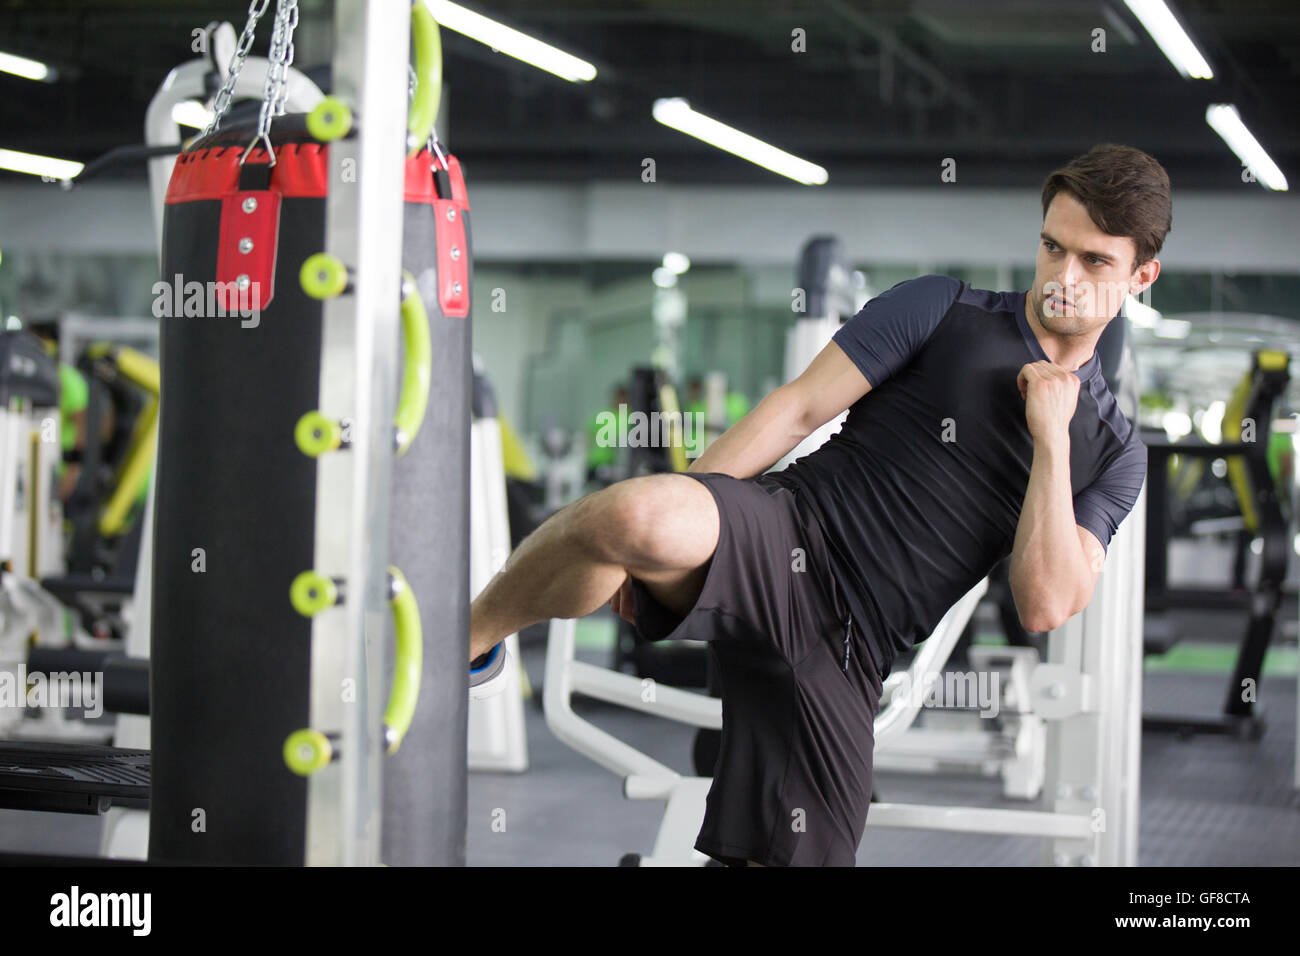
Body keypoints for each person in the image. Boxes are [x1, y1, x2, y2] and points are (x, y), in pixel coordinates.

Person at [468, 143, 1163, 867]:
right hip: (784, 532)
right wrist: (685, 496)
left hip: (852, 649)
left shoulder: (1114, 453)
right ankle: (469, 642)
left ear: (1141, 276)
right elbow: (796, 411)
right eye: (1053, 247)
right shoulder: (942, 308)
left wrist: (1051, 435)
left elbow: (1044, 603)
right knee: (634, 515)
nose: (1064, 275)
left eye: (1094, 261)